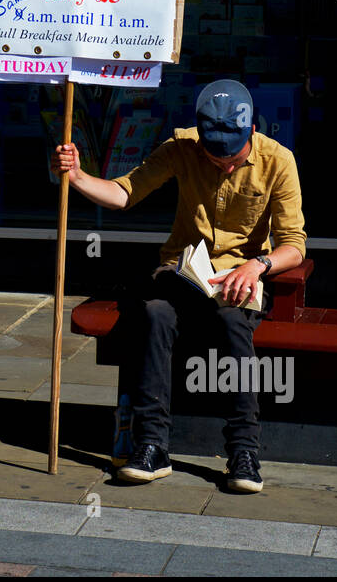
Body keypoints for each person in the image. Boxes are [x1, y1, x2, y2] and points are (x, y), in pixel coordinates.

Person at [52, 79, 306, 493]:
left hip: (238, 279)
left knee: (232, 326)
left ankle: (244, 450)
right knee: (154, 314)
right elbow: (124, 193)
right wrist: (78, 176)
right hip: (182, 271)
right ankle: (152, 444)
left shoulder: (279, 161)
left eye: (233, 153)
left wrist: (257, 266)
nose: (224, 162)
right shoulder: (180, 148)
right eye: (214, 152)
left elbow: (294, 245)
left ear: (252, 132)